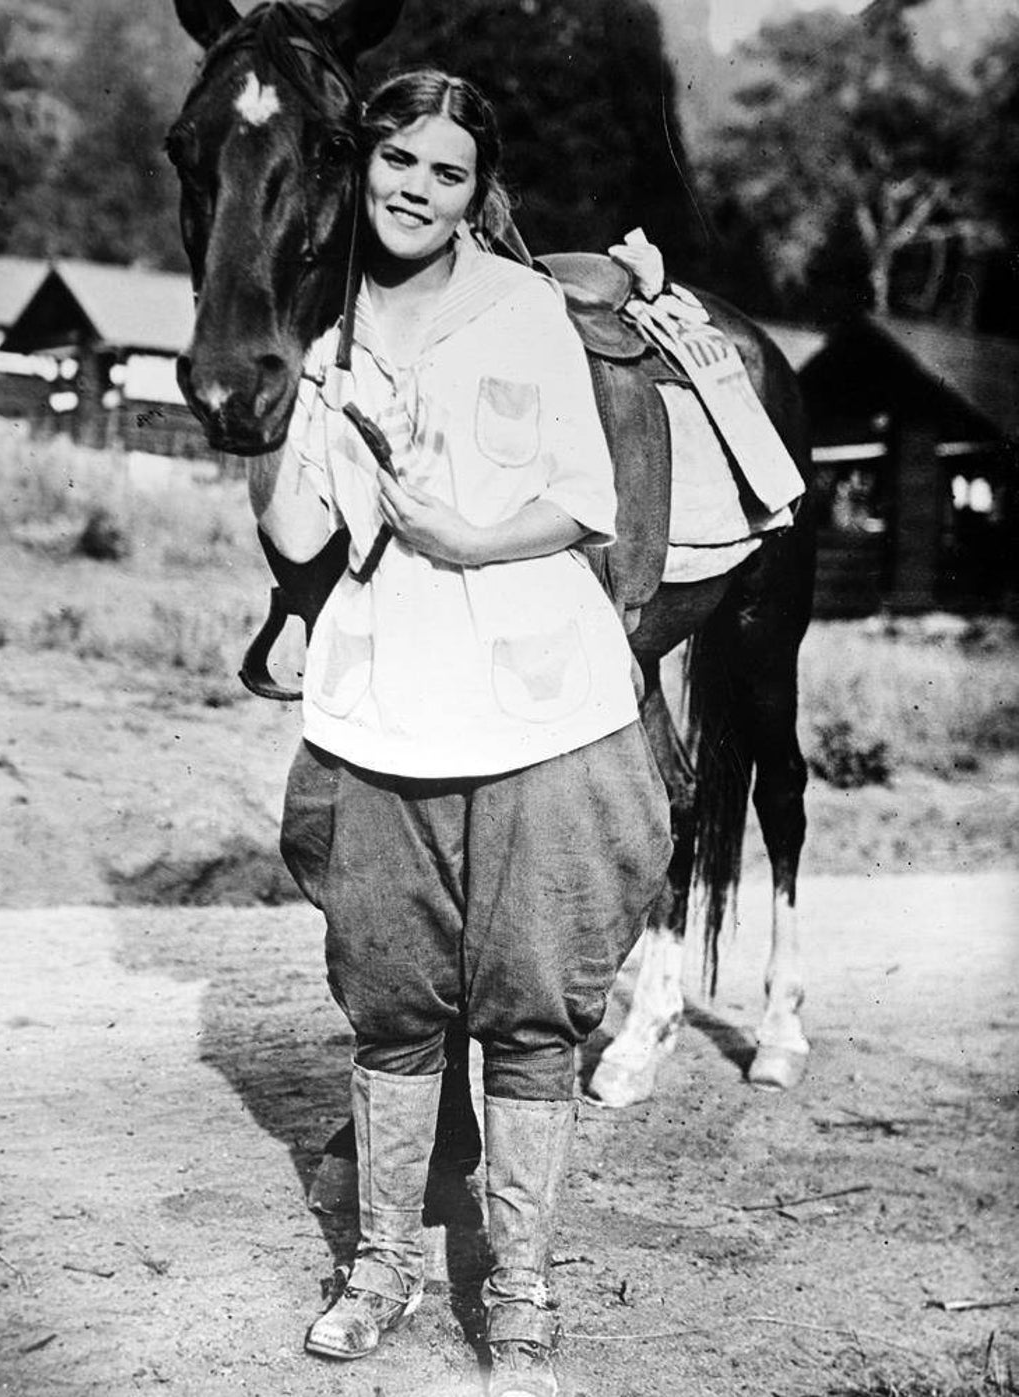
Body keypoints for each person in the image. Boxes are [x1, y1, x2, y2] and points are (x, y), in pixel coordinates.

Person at [250, 68, 671, 1397]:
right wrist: (295, 403)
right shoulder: (324, 324)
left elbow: (585, 498)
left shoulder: (525, 307)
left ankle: (523, 1281)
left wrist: (469, 537)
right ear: (360, 165)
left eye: (446, 171)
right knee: (391, 997)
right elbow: (300, 534)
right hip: (385, 697)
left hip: (537, 699)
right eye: (397, 160)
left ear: (476, 190)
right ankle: (384, 1263)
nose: (415, 190)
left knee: (534, 1002)